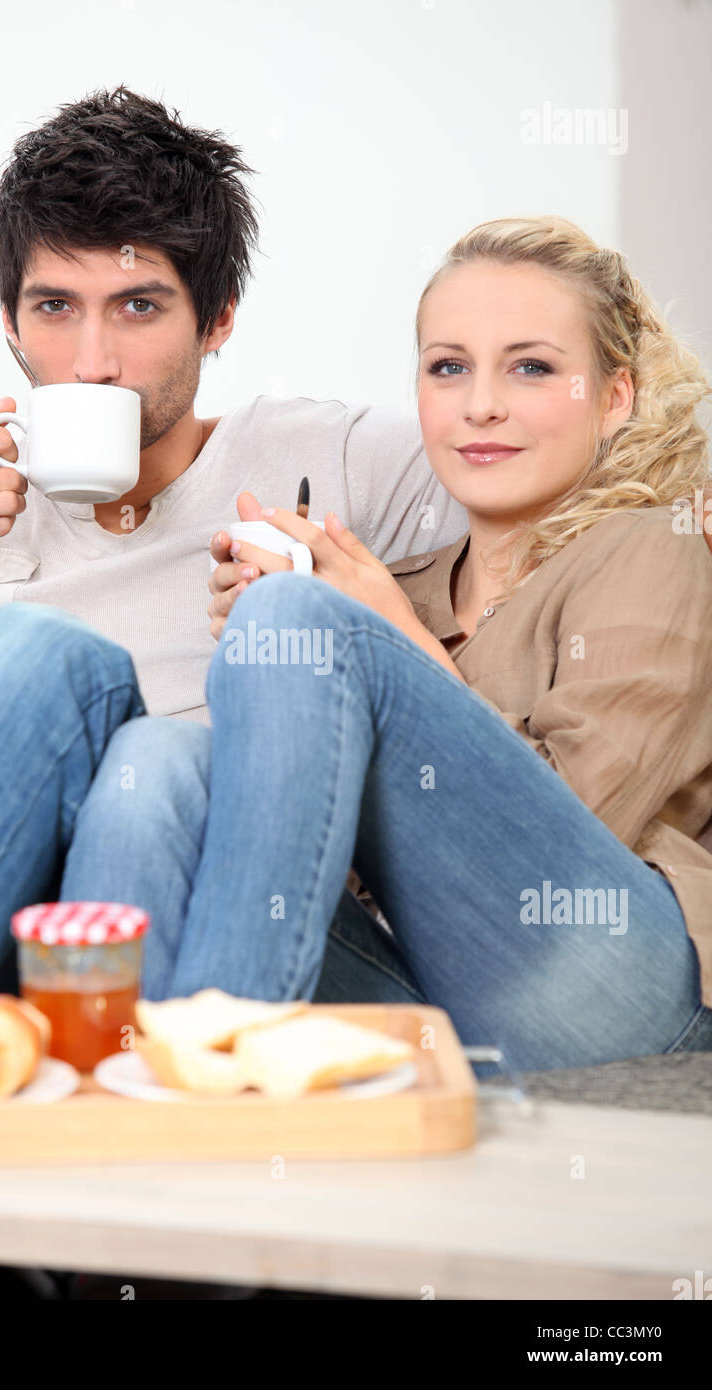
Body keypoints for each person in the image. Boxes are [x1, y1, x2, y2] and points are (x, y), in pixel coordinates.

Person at [49, 215, 712, 1071]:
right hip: (433, 990)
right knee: (161, 761)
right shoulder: (399, 581)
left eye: (532, 368)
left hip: (605, 977)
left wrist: (369, 633)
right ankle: (116, 1093)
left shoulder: (649, 544)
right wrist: (273, 653)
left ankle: (211, 1065)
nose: (481, 404)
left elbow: (573, 831)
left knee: (293, 623)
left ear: (614, 398)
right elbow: (315, 849)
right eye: (448, 368)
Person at [0, 87, 466, 1002]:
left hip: (156, 923)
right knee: (31, 661)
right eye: (54, 307)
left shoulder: (333, 460)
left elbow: (585, 468)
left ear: (216, 319)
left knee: (91, 710)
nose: (92, 360)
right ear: (11, 323)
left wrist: (348, 600)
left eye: (138, 307)